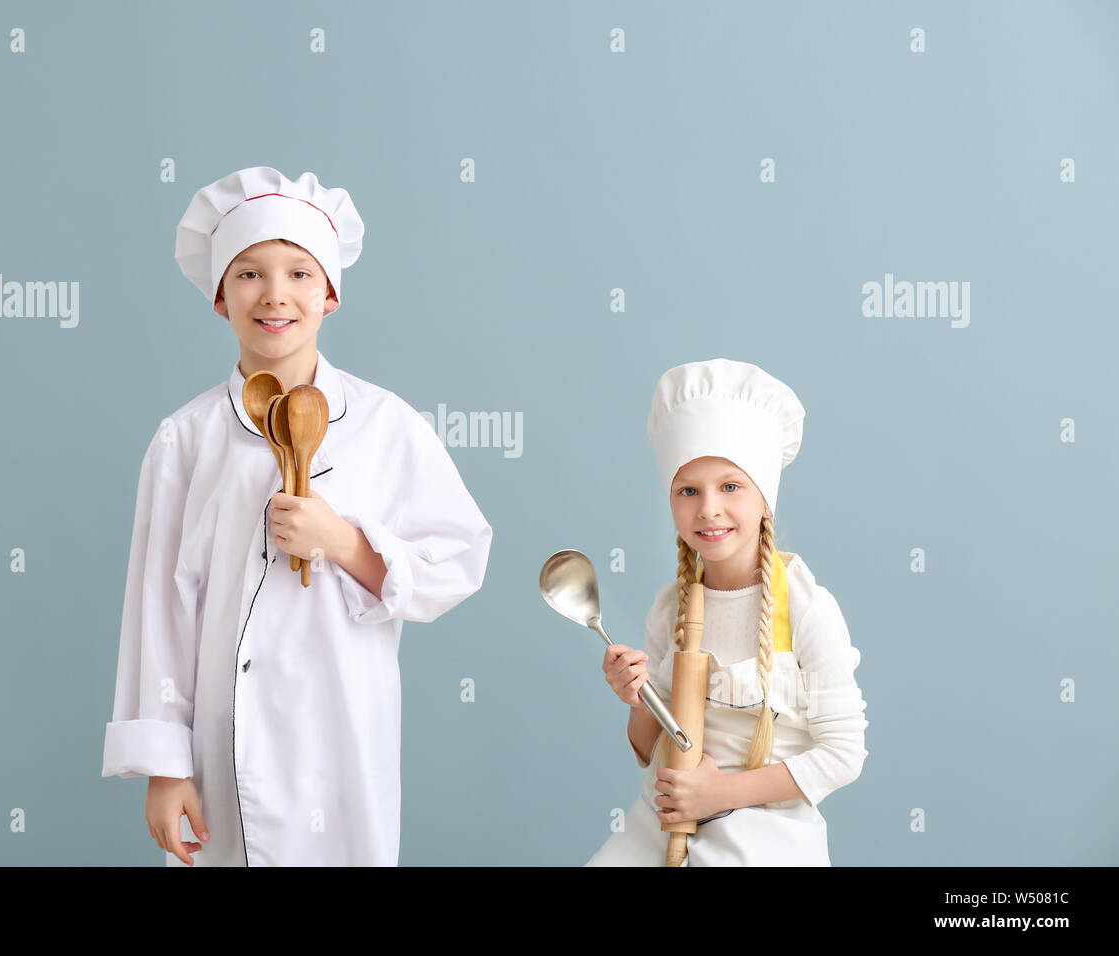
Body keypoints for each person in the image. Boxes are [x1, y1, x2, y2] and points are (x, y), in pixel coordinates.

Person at [101, 166, 493, 866]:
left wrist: (342, 542)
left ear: (330, 293)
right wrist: (165, 766)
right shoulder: (185, 440)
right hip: (222, 752)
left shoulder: (386, 427)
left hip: (344, 732)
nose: (275, 294)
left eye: (299, 273)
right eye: (249, 273)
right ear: (220, 297)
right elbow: (160, 606)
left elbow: (458, 561)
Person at [586, 358, 867, 866]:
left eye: (730, 487)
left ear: (765, 499)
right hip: (665, 817)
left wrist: (719, 794)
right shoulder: (669, 607)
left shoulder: (807, 608)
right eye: (688, 491)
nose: (708, 508)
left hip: (764, 825)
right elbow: (650, 749)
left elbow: (842, 756)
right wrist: (636, 696)